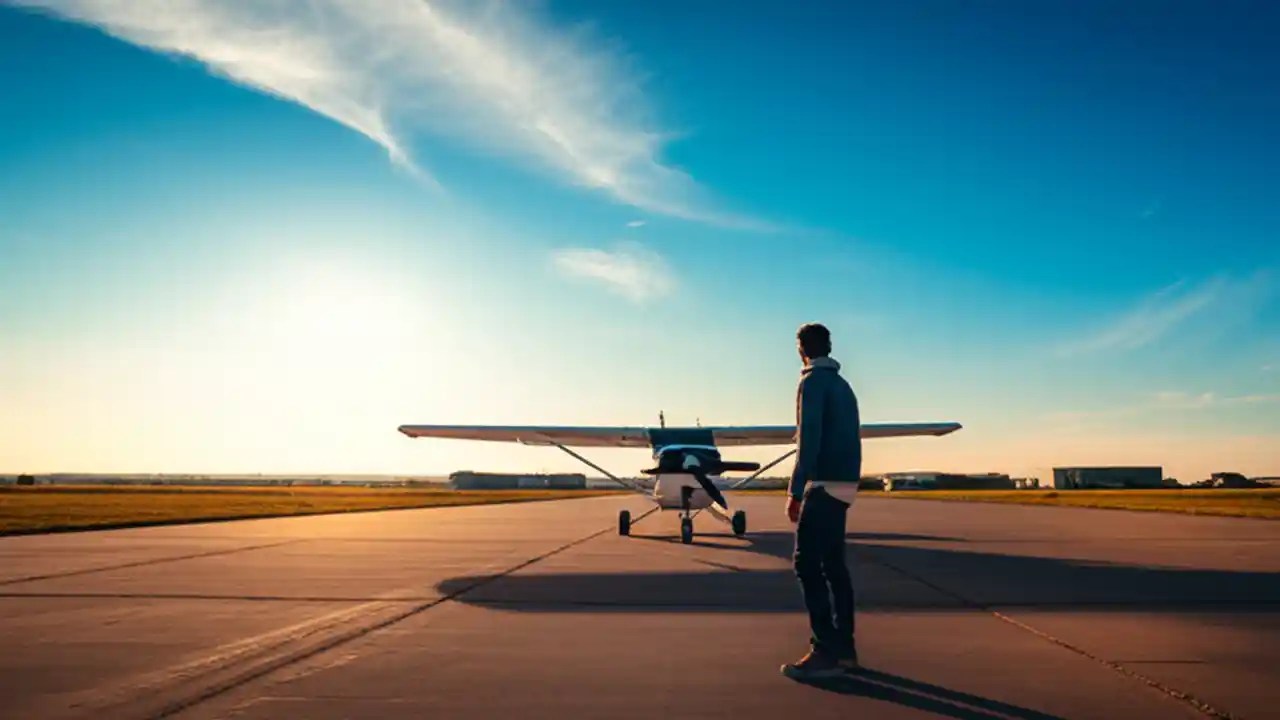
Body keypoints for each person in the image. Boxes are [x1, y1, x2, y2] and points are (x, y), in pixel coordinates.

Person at [781, 322, 862, 680]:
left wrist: (795, 490)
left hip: (823, 484)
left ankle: (824, 649)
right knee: (834, 568)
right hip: (846, 483)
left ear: (803, 348)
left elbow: (807, 441)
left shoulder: (810, 382)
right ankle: (845, 649)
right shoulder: (844, 386)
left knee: (805, 564)